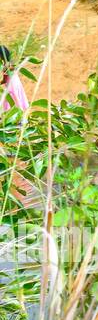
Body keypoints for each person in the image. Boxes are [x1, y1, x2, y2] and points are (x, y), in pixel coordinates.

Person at [0, 44, 37, 209]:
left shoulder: (10, 77)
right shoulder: (10, 74)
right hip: (18, 118)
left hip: (15, 121)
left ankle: (17, 198)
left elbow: (10, 103)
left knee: (14, 159)